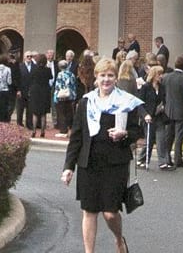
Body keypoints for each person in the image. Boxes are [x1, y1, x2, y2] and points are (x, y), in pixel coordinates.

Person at [60, 58, 144, 253]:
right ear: (96, 78)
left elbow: (136, 131)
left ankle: (118, 240)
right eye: (102, 75)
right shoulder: (86, 102)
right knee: (89, 211)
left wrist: (124, 135)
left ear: (116, 78)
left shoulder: (125, 101)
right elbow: (77, 137)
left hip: (115, 164)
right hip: (89, 163)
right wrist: (68, 168)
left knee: (110, 213)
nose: (106, 80)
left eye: (110, 75)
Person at [158, 56, 183, 170]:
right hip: (181, 110)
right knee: (179, 136)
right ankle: (178, 159)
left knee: (168, 136)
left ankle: (167, 158)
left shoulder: (166, 77)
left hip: (168, 109)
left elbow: (162, 92)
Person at [137, 65, 164, 167]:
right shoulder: (146, 87)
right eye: (159, 74)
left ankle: (163, 161)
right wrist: (145, 115)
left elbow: (163, 99)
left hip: (158, 116)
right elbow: (140, 104)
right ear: (153, 75)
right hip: (148, 117)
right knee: (149, 139)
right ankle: (142, 159)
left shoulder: (162, 87)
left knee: (161, 138)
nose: (161, 76)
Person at [28, 52, 54, 137]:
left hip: (35, 91)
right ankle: (43, 132)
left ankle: (34, 131)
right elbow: (51, 77)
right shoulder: (48, 70)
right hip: (45, 91)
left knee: (35, 113)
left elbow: (30, 78)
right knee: (43, 113)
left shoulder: (34, 69)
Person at [54, 59, 80, 137]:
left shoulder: (60, 74)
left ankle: (63, 130)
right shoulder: (71, 74)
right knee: (69, 112)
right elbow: (74, 85)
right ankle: (71, 128)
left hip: (62, 96)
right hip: (70, 96)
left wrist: (55, 97)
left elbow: (58, 86)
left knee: (61, 113)